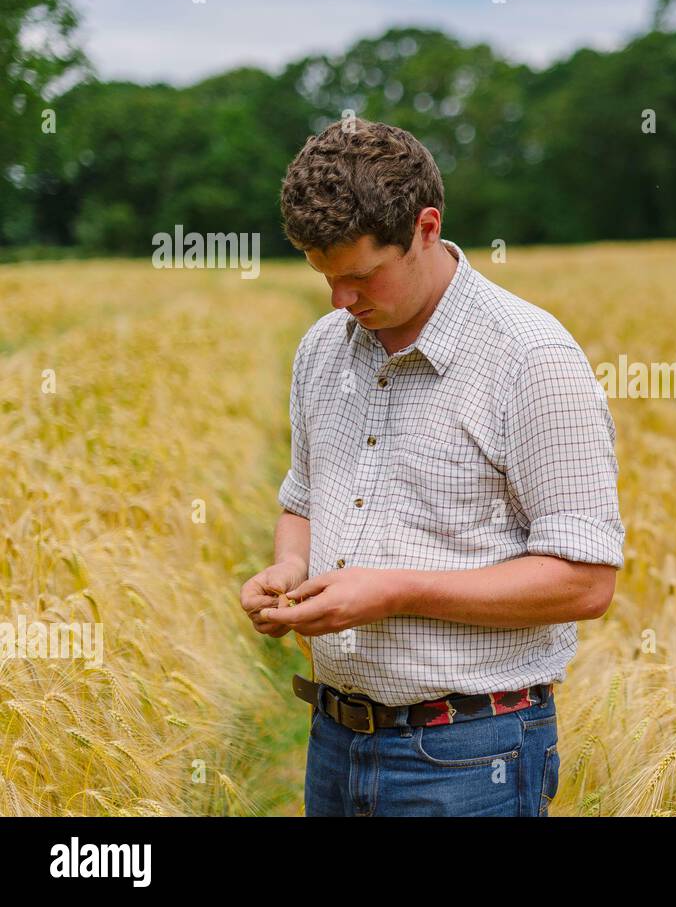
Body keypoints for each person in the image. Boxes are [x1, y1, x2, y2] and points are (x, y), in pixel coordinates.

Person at [237, 117, 625, 816]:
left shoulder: (531, 358)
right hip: (332, 739)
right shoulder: (323, 348)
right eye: (324, 277)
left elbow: (586, 581)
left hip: (473, 755)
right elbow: (303, 500)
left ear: (425, 226)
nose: (340, 301)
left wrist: (395, 590)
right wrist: (289, 568)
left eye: (359, 276)